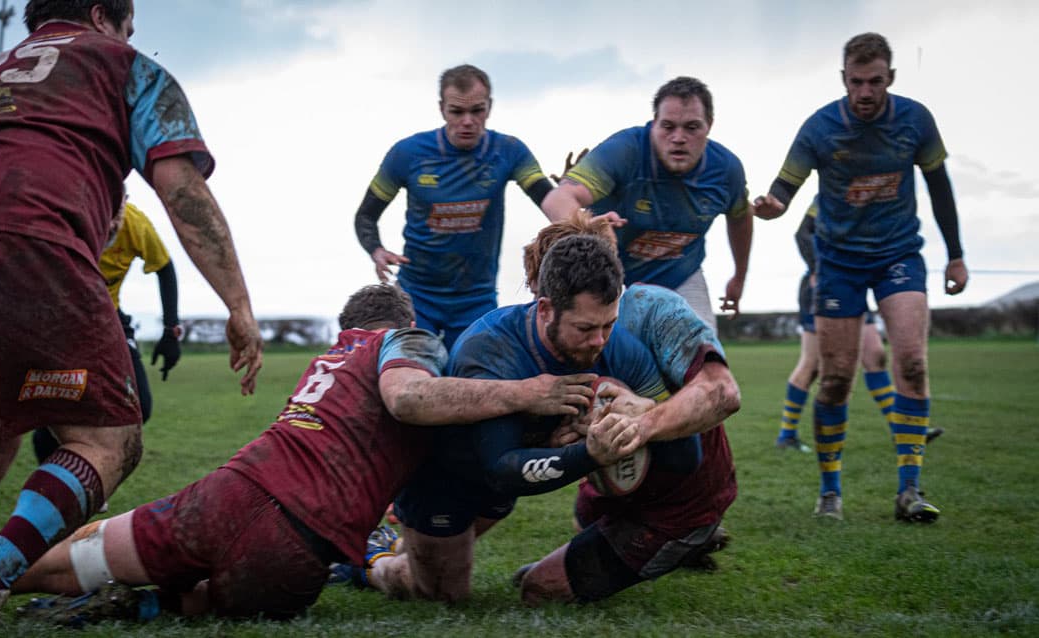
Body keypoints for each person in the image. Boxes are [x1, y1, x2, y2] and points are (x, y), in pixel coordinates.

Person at [0, 284, 605, 626]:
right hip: (296, 564)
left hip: (233, 497)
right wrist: (534, 392)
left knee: (58, 559)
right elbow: (414, 410)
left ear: (350, 326)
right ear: (397, 322)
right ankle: (152, 605)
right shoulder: (409, 340)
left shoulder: (334, 357)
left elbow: (402, 409)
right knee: (206, 596)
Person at [0, 2, 263, 636]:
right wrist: (238, 304)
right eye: (129, 25)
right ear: (105, 16)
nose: (133, 37)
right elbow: (181, 188)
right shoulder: (124, 64)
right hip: (25, 233)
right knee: (107, 441)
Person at [355, 231, 737, 605]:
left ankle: (404, 547)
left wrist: (638, 420)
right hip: (448, 479)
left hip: (505, 485)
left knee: (527, 584)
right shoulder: (492, 348)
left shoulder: (619, 344)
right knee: (437, 594)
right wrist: (592, 453)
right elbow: (501, 467)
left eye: (608, 324)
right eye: (585, 328)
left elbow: (687, 455)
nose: (598, 341)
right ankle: (372, 563)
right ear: (545, 308)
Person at [753, 32, 968, 522]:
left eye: (875, 82)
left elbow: (940, 188)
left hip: (899, 254)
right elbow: (784, 188)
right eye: (856, 82)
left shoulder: (916, 120)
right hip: (837, 263)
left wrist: (955, 255)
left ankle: (909, 490)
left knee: (911, 362)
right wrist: (771, 206)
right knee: (834, 380)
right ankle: (831, 492)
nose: (865, 92)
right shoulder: (820, 127)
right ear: (843, 79)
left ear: (890, 78)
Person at [353, 64, 555, 351]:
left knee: (474, 380)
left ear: (490, 107)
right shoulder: (408, 154)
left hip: (476, 296)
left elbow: (549, 200)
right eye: (457, 112)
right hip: (417, 295)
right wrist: (377, 250)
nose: (468, 121)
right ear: (441, 109)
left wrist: (583, 218)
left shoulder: (508, 151)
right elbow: (366, 215)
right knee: (409, 376)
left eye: (477, 110)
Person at [540, 76, 753, 330]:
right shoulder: (625, 151)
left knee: (707, 361)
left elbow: (741, 217)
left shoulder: (727, 170)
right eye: (668, 126)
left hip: (681, 276)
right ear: (653, 124)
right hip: (610, 276)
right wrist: (587, 227)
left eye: (692, 127)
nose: (678, 137)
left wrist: (739, 277)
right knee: (603, 356)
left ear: (709, 126)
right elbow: (557, 199)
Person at [776, 199, 943, 450]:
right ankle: (786, 435)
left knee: (875, 356)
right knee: (811, 366)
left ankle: (900, 427)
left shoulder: (883, 196)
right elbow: (802, 233)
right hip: (822, 286)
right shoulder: (831, 194)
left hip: (854, 286)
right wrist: (819, 269)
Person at [32, 193, 183, 463]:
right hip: (60, 321)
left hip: (108, 316)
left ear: (125, 201)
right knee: (52, 413)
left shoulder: (136, 224)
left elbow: (165, 268)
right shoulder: (62, 223)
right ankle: (60, 476)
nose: (111, 225)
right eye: (104, 213)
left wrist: (170, 329)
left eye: (117, 213)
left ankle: (85, 466)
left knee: (138, 407)